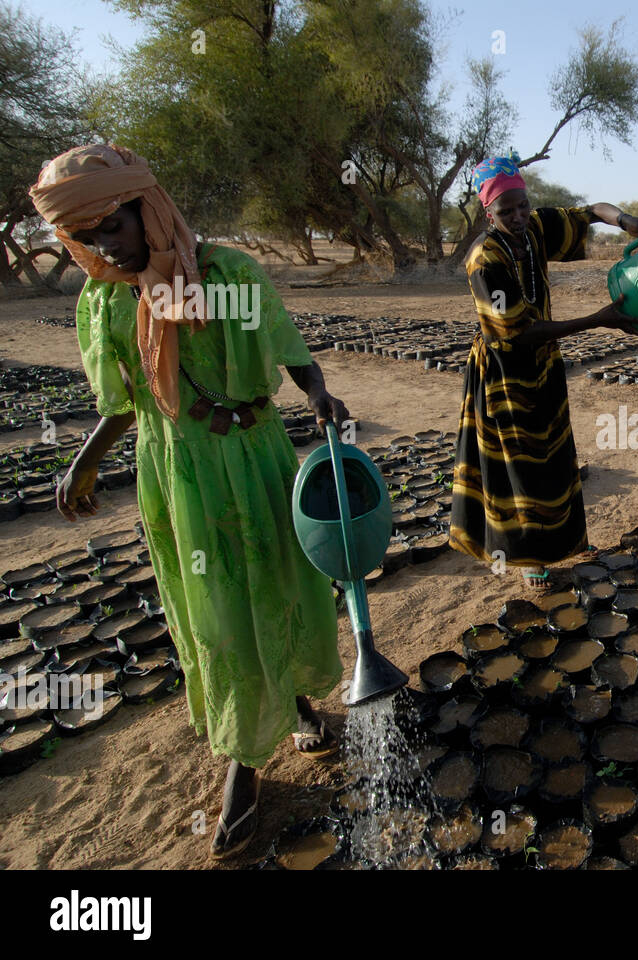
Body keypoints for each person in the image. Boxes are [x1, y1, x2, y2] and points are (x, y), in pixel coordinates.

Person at [30, 143, 353, 859]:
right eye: (85, 238)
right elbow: (125, 399)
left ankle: (296, 705)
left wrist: (318, 391)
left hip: (254, 454)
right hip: (179, 470)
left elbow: (283, 341)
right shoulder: (109, 299)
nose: (104, 247)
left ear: (149, 209)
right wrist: (83, 467)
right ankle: (244, 760)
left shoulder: (226, 275)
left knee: (277, 585)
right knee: (217, 608)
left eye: (112, 227)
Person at [450, 154, 638, 590]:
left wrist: (627, 221)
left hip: (542, 365)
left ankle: (564, 542)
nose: (519, 216)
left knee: (555, 459)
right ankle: (528, 559)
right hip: (505, 374)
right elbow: (521, 333)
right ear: (489, 213)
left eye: (523, 205)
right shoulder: (484, 261)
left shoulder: (535, 228)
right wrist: (599, 319)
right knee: (520, 468)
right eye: (507, 211)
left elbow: (590, 212)